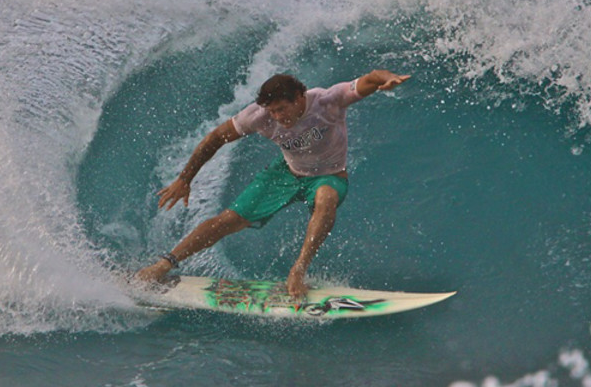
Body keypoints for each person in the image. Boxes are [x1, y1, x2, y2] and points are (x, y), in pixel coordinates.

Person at [136, 69, 410, 298]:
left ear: (300, 97)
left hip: (329, 175)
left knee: (325, 198)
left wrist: (387, 79)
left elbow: (370, 79)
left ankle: (298, 271)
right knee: (227, 221)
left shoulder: (327, 100)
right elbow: (215, 138)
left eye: (282, 109)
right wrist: (185, 179)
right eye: (272, 111)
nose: (277, 117)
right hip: (286, 174)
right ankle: (163, 265)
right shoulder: (258, 116)